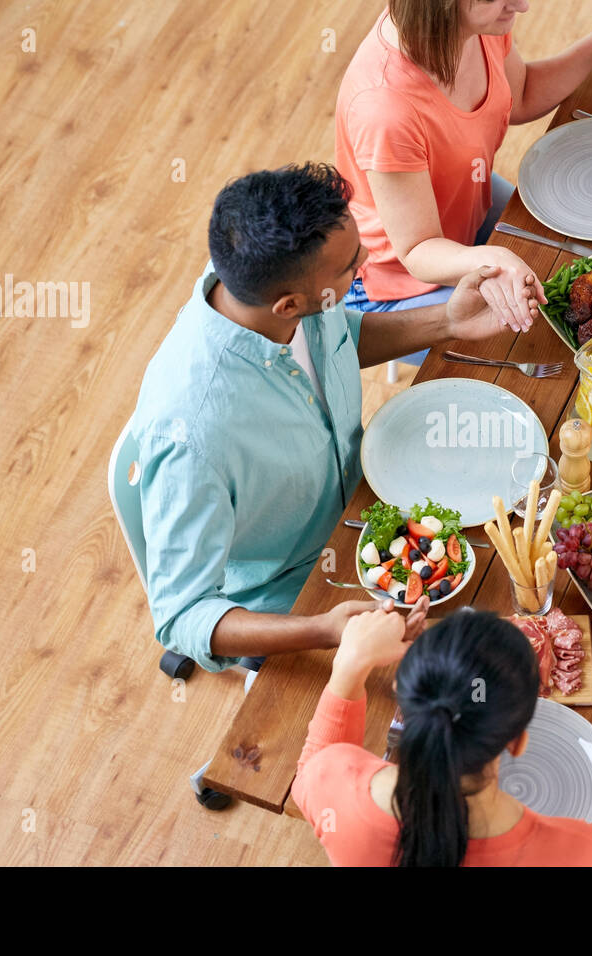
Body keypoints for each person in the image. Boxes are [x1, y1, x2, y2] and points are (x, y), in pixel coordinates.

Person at [131, 163, 510, 672]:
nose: (370, 260)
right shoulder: (191, 434)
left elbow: (340, 337)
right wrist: (326, 629)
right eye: (352, 265)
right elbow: (182, 615)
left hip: (372, 508)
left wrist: (447, 320)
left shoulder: (277, 287)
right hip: (302, 597)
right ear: (288, 305)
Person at [292, 607, 592, 866]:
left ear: (403, 698)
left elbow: (315, 768)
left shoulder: (334, 786)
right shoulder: (572, 853)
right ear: (517, 743)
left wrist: (348, 665)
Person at [337, 1, 592, 334]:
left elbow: (520, 94)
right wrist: (496, 257)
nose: (522, 6)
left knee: (580, 261)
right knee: (550, 330)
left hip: (465, 211)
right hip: (397, 285)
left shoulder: (478, 24)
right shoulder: (384, 109)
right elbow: (417, 249)